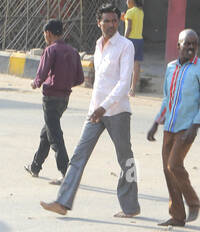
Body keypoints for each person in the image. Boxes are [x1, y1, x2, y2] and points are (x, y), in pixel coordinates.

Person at [40, 4, 140, 219]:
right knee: (78, 156)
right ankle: (63, 202)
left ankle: (131, 206)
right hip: (95, 112)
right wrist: (96, 107)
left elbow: (124, 83)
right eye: (107, 21)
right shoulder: (97, 45)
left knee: (126, 159)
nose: (111, 24)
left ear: (118, 22)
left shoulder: (125, 46)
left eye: (114, 20)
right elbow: (99, 83)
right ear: (99, 23)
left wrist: (105, 106)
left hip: (118, 112)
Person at [147, 29, 200, 227]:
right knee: (167, 170)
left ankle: (193, 202)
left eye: (195, 44)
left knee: (174, 165)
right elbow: (168, 98)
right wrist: (156, 123)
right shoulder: (171, 68)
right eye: (187, 44)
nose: (191, 47)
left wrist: (196, 125)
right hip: (170, 125)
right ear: (178, 46)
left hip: (188, 126)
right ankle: (177, 215)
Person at [25, 19, 84, 184]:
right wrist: (65, 84)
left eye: (45, 34)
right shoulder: (73, 51)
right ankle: (35, 166)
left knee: (54, 136)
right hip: (64, 98)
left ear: (49, 33)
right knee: (48, 132)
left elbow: (42, 74)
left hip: (50, 98)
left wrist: (35, 83)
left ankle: (66, 171)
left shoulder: (51, 50)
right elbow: (79, 78)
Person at [122, 0, 144, 95]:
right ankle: (132, 89)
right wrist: (125, 18)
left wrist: (124, 40)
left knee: (126, 64)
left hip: (130, 40)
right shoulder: (140, 11)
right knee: (136, 65)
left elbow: (129, 27)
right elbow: (134, 23)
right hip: (139, 40)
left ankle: (123, 87)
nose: (126, 2)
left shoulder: (130, 12)